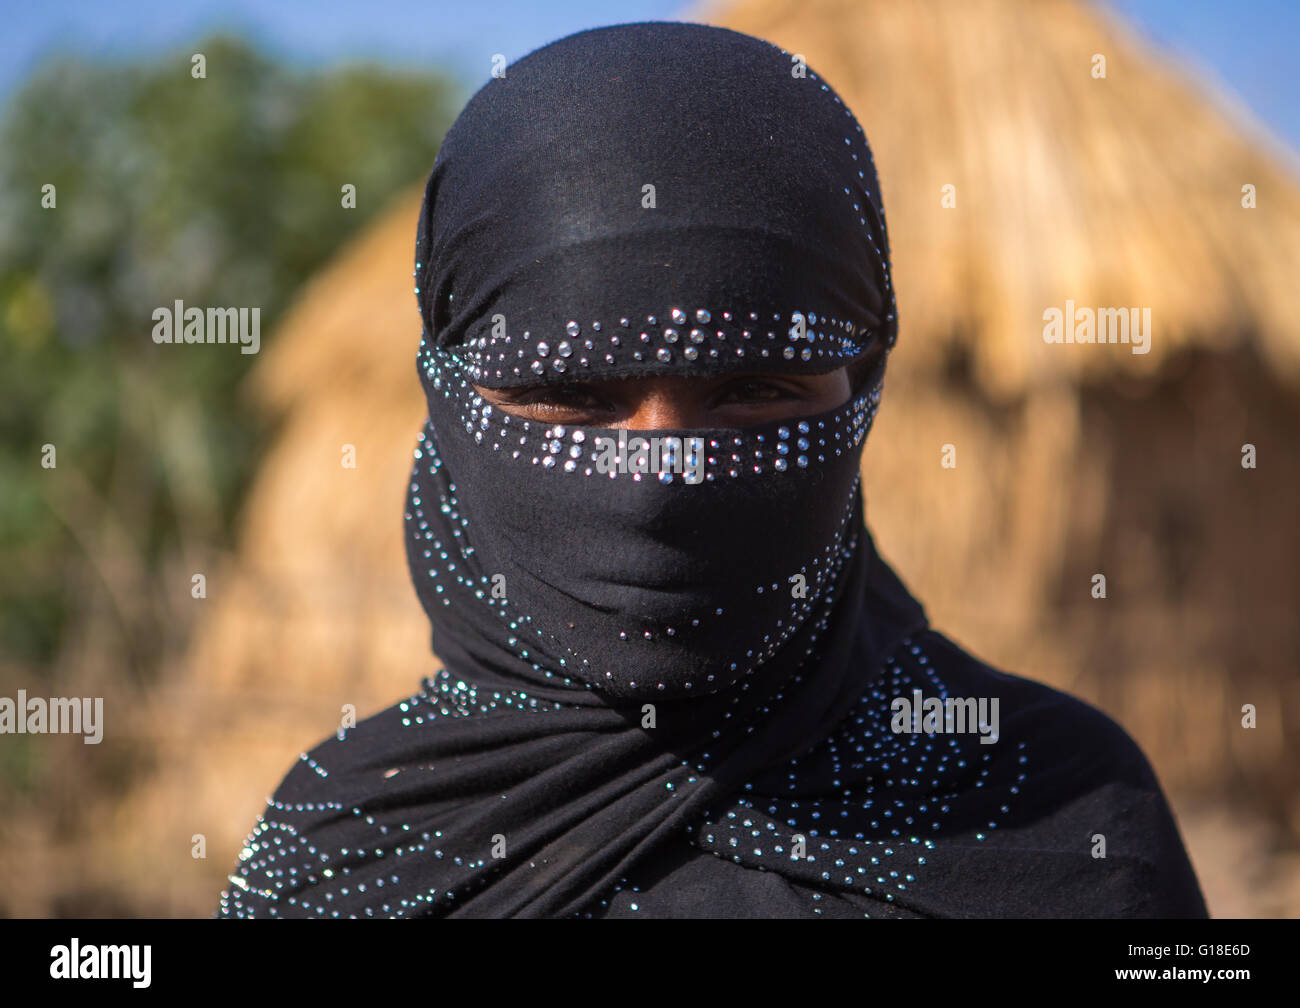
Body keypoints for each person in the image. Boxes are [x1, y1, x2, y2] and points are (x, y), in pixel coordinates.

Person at [218, 21, 1207, 918]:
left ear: (863, 386)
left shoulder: (1060, 815)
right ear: (449, 396)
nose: (662, 476)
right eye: (569, 396)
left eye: (757, 390)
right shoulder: (340, 860)